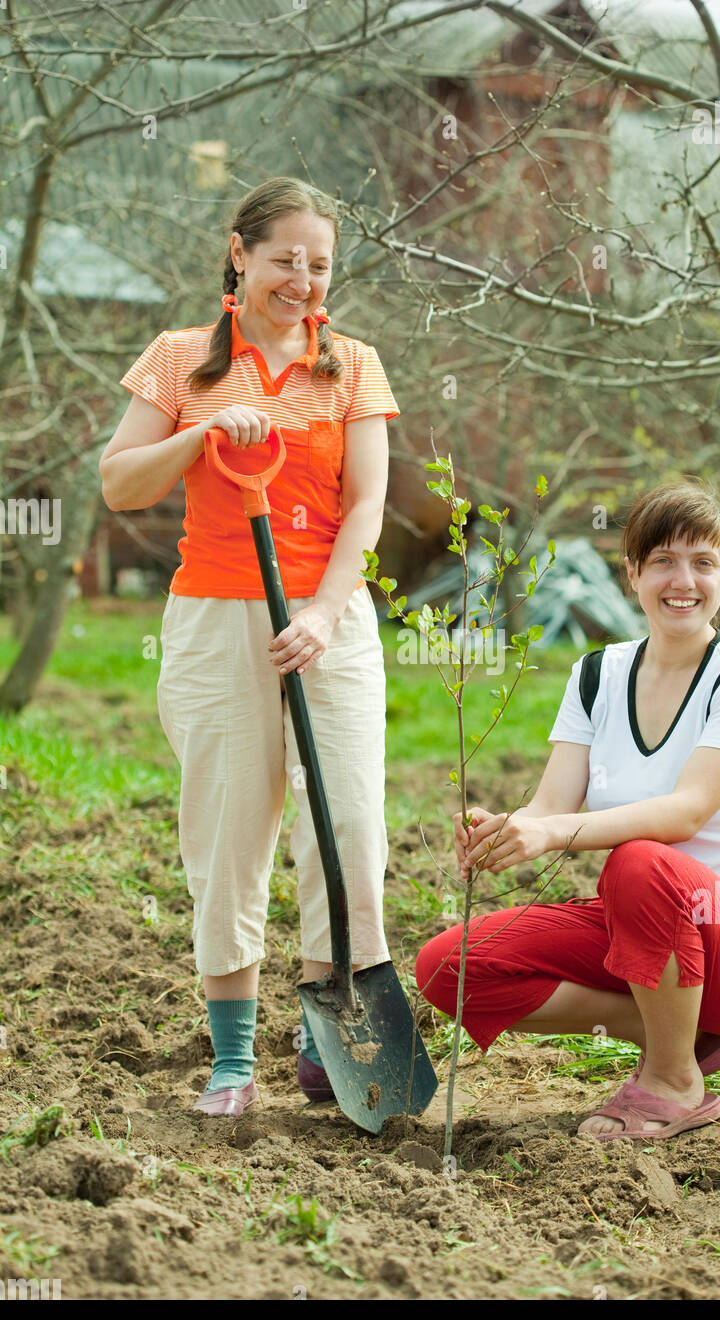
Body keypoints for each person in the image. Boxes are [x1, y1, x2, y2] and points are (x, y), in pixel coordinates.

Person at [100, 177, 400, 1116]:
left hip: (328, 621)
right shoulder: (180, 359)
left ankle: (331, 1033)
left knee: (347, 823)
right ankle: (232, 1060)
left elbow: (367, 506)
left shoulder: (350, 365)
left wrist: (320, 613)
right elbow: (119, 485)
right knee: (230, 832)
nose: (302, 280)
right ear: (240, 253)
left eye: (318, 264)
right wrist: (198, 439)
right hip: (215, 620)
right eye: (284, 260)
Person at [416, 481, 720, 1140]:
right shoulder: (597, 674)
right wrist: (505, 831)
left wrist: (555, 832)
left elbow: (685, 813)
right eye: (663, 561)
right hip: (642, 923)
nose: (684, 580)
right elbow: (550, 805)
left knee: (641, 862)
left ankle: (675, 1082)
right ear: (632, 573)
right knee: (449, 969)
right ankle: (683, 1030)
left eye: (703, 562)